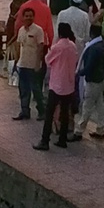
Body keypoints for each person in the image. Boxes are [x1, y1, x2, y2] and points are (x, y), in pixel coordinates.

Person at [36, 22, 79, 150]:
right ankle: (62, 139)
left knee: (49, 113)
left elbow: (48, 60)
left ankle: (45, 140)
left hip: (57, 84)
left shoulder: (58, 47)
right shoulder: (72, 46)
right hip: (69, 84)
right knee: (65, 113)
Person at [77, 28, 104, 139]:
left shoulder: (93, 48)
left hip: (93, 79)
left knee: (87, 105)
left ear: (91, 34)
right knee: (99, 105)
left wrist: (79, 72)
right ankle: (100, 129)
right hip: (100, 78)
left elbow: (89, 66)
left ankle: (79, 130)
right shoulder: (101, 45)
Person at [13, 8, 48, 122]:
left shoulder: (38, 30)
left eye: (30, 16)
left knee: (36, 89)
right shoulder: (21, 30)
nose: (28, 18)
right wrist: (16, 61)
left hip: (33, 65)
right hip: (22, 64)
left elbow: (40, 48)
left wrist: (38, 63)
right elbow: (19, 46)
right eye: (26, 16)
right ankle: (24, 111)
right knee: (23, 89)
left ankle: (42, 111)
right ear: (23, 17)